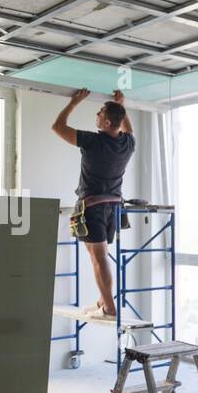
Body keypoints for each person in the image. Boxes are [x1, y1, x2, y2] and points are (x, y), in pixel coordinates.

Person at [51, 88, 135, 319]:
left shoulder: (92, 141)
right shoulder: (128, 143)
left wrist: (73, 103)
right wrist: (122, 105)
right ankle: (102, 300)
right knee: (95, 253)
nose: (96, 114)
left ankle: (109, 307)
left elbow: (58, 127)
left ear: (107, 122)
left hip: (93, 207)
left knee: (99, 257)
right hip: (113, 208)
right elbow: (127, 128)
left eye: (100, 113)